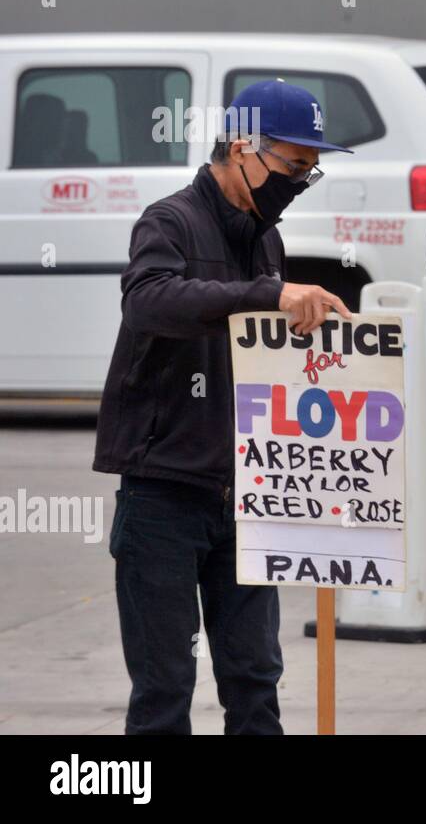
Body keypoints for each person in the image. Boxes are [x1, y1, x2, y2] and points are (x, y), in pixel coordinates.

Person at [94, 79, 355, 735]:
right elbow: (150, 301)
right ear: (242, 146)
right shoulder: (170, 220)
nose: (299, 180)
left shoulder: (264, 239)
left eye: (309, 169)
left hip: (245, 496)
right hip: (163, 493)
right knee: (164, 688)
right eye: (293, 165)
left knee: (254, 678)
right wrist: (268, 296)